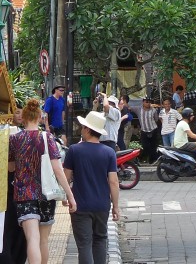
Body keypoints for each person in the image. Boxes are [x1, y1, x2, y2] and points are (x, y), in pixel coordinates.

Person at [9, 99, 76, 264]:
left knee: (32, 238)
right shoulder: (47, 137)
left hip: (24, 194)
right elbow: (57, 169)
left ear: (23, 117)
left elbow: (11, 168)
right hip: (47, 194)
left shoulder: (15, 139)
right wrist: (70, 195)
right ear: (40, 117)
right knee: (43, 240)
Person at [63, 110, 119, 264]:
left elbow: (66, 178)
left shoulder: (74, 150)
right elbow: (113, 182)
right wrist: (116, 206)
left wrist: (65, 197)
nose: (81, 129)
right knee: (100, 240)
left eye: (82, 127)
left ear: (87, 130)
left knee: (84, 245)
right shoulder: (109, 152)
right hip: (102, 205)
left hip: (80, 205)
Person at [1, 108, 28, 264]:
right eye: (15, 112)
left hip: (13, 192)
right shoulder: (24, 137)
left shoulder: (19, 135)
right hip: (18, 193)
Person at [137, 98, 160, 163]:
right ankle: (142, 158)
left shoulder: (154, 110)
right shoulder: (139, 109)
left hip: (153, 130)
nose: (148, 103)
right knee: (145, 146)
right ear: (143, 102)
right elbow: (130, 108)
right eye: (146, 102)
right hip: (144, 130)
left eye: (149, 102)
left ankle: (152, 160)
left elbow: (156, 119)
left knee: (153, 145)